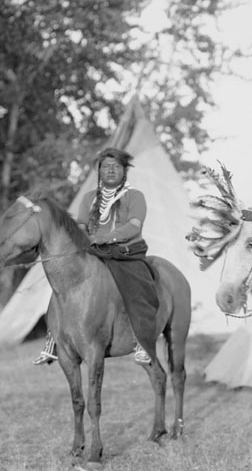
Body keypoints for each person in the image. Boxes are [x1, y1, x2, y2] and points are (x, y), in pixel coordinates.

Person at [34, 147, 159, 366]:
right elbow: (81, 226)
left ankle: (142, 341)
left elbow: (134, 226)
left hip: (125, 252)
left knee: (138, 287)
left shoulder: (135, 196)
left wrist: (105, 238)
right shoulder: (89, 198)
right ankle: (53, 340)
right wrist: (82, 239)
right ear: (99, 171)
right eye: (106, 167)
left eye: (116, 166)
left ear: (124, 171)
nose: (110, 170)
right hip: (95, 251)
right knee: (61, 286)